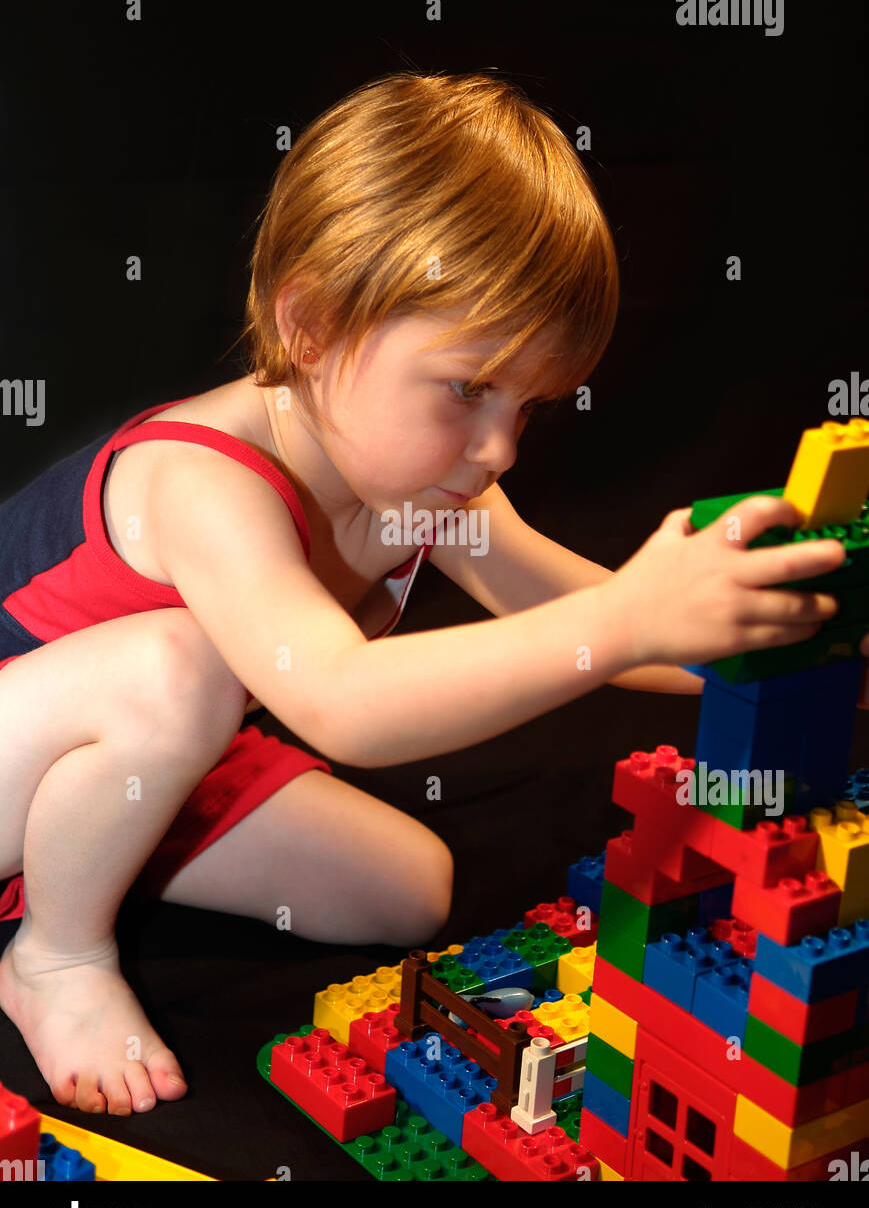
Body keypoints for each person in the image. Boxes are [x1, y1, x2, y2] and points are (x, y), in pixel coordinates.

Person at [0, 72, 861, 1120]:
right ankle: (54, 952)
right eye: (466, 389)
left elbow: (565, 603)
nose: (497, 446)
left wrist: (771, 646)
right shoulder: (202, 481)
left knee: (406, 887)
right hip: (31, 737)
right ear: (310, 325)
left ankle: (90, 844)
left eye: (525, 404)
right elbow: (340, 701)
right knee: (176, 668)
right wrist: (628, 614)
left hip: (121, 763)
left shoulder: (426, 483)